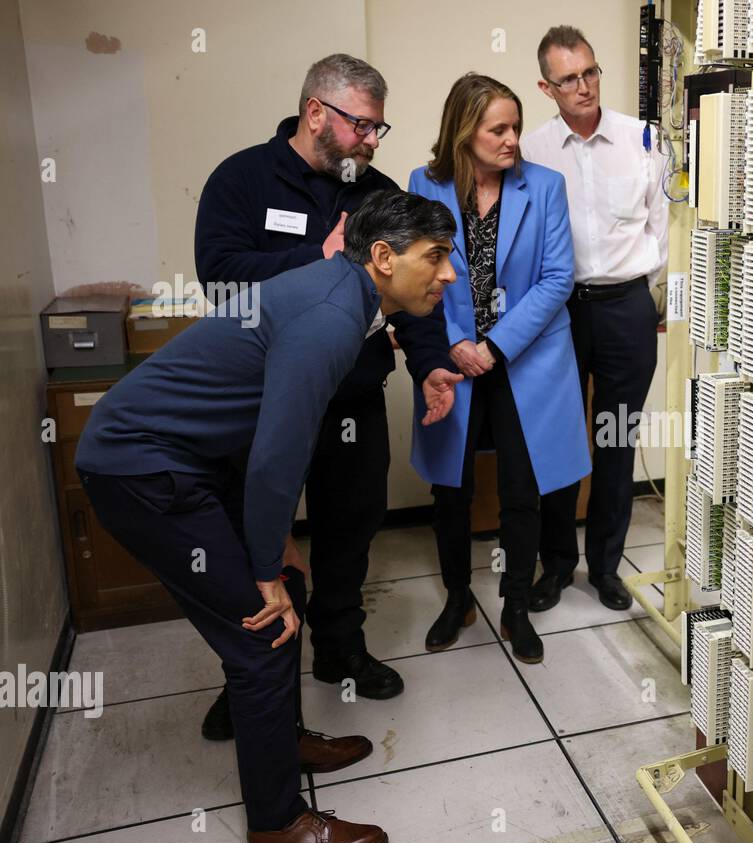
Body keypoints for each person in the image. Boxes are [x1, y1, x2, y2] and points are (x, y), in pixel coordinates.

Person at [76, 191, 462, 843]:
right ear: (382, 258)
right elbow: (279, 454)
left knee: (288, 584)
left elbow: (257, 431)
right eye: (436, 258)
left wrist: (272, 548)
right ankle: (276, 826)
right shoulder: (330, 316)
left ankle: (281, 740)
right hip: (142, 468)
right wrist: (260, 569)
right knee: (265, 628)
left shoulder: (342, 293)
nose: (448, 274)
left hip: (191, 459)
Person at [193, 54, 450, 740]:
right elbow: (221, 280)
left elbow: (416, 292)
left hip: (353, 399)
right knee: (258, 539)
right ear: (316, 114)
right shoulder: (241, 179)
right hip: (263, 401)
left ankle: (340, 648)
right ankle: (248, 673)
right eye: (362, 126)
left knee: (349, 531)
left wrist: (429, 366)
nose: (371, 141)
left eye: (379, 128)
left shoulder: (381, 193)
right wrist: (319, 257)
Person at [402, 73, 590, 665]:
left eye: (515, 127)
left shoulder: (545, 186)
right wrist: (456, 343)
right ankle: (457, 596)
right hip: (452, 358)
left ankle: (514, 604)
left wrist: (496, 345)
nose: (513, 140)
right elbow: (414, 277)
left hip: (525, 357)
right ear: (465, 131)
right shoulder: (423, 186)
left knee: (521, 487)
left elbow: (557, 278)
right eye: (498, 129)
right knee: (450, 488)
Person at [521, 26, 669, 613]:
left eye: (590, 72)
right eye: (568, 79)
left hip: (626, 308)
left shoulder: (642, 138)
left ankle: (605, 567)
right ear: (546, 87)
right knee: (559, 439)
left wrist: (640, 289)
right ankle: (556, 564)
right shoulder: (531, 149)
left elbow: (659, 225)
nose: (583, 86)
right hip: (558, 311)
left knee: (615, 440)